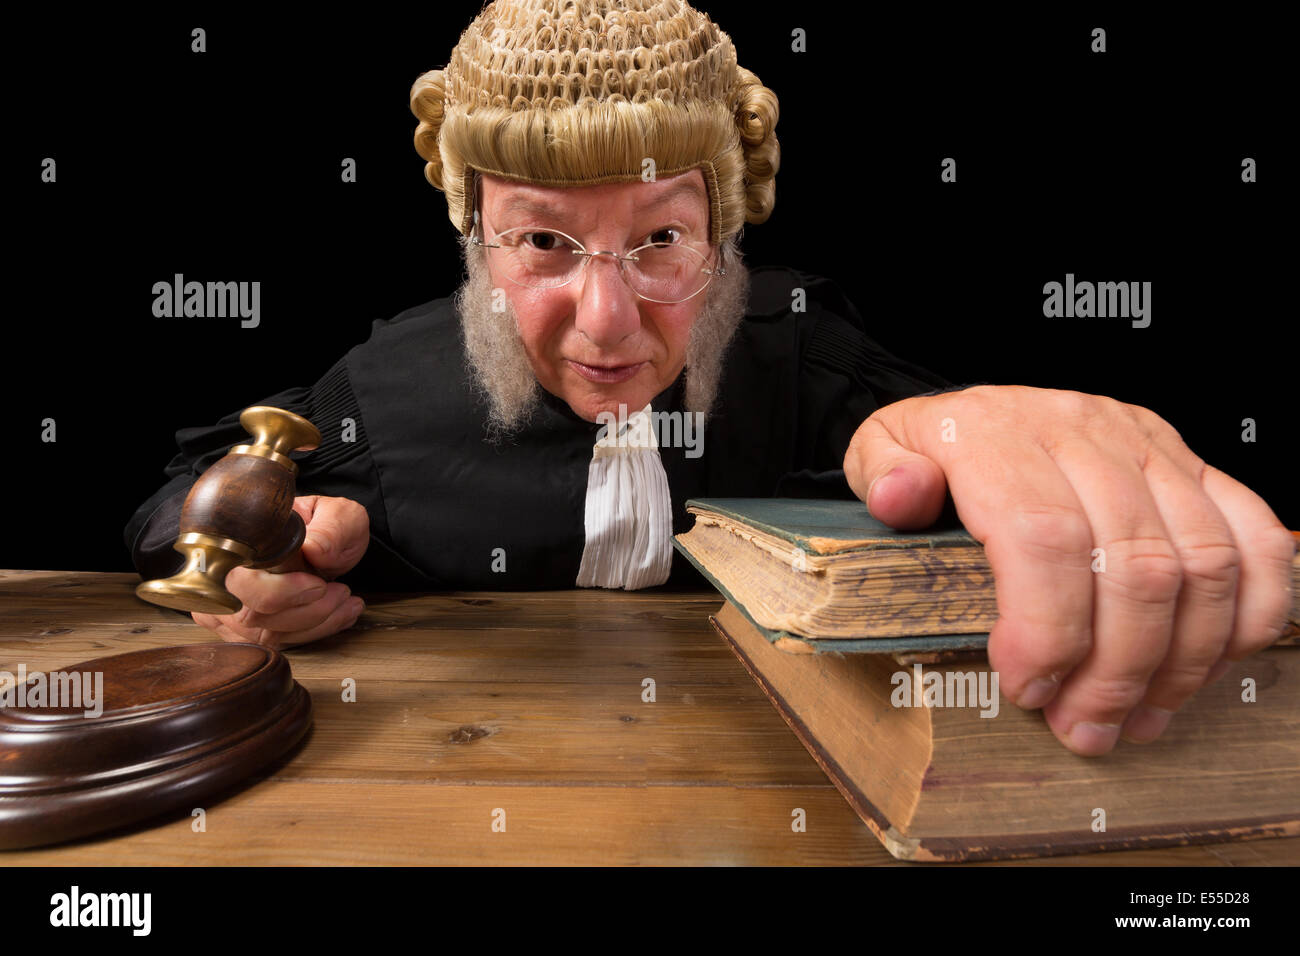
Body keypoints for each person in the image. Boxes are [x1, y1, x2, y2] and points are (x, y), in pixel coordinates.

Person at [125, 0, 1294, 759]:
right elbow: (179, 496)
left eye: (660, 241)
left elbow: (932, 437)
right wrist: (259, 566)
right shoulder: (387, 386)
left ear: (723, 234)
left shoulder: (803, 353)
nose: (607, 318)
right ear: (476, 238)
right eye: (540, 243)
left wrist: (981, 425)